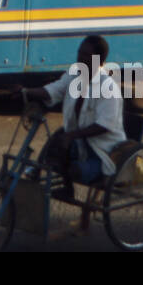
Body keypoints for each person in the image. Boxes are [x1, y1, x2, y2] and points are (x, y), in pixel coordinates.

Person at [19, 35, 125, 185]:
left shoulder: (107, 86)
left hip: (103, 152)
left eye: (86, 56)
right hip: (80, 145)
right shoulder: (74, 76)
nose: (80, 59)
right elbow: (53, 90)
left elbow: (105, 124)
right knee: (56, 142)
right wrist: (26, 91)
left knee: (75, 169)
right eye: (79, 53)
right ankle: (40, 174)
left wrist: (72, 135)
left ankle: (67, 182)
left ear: (99, 60)